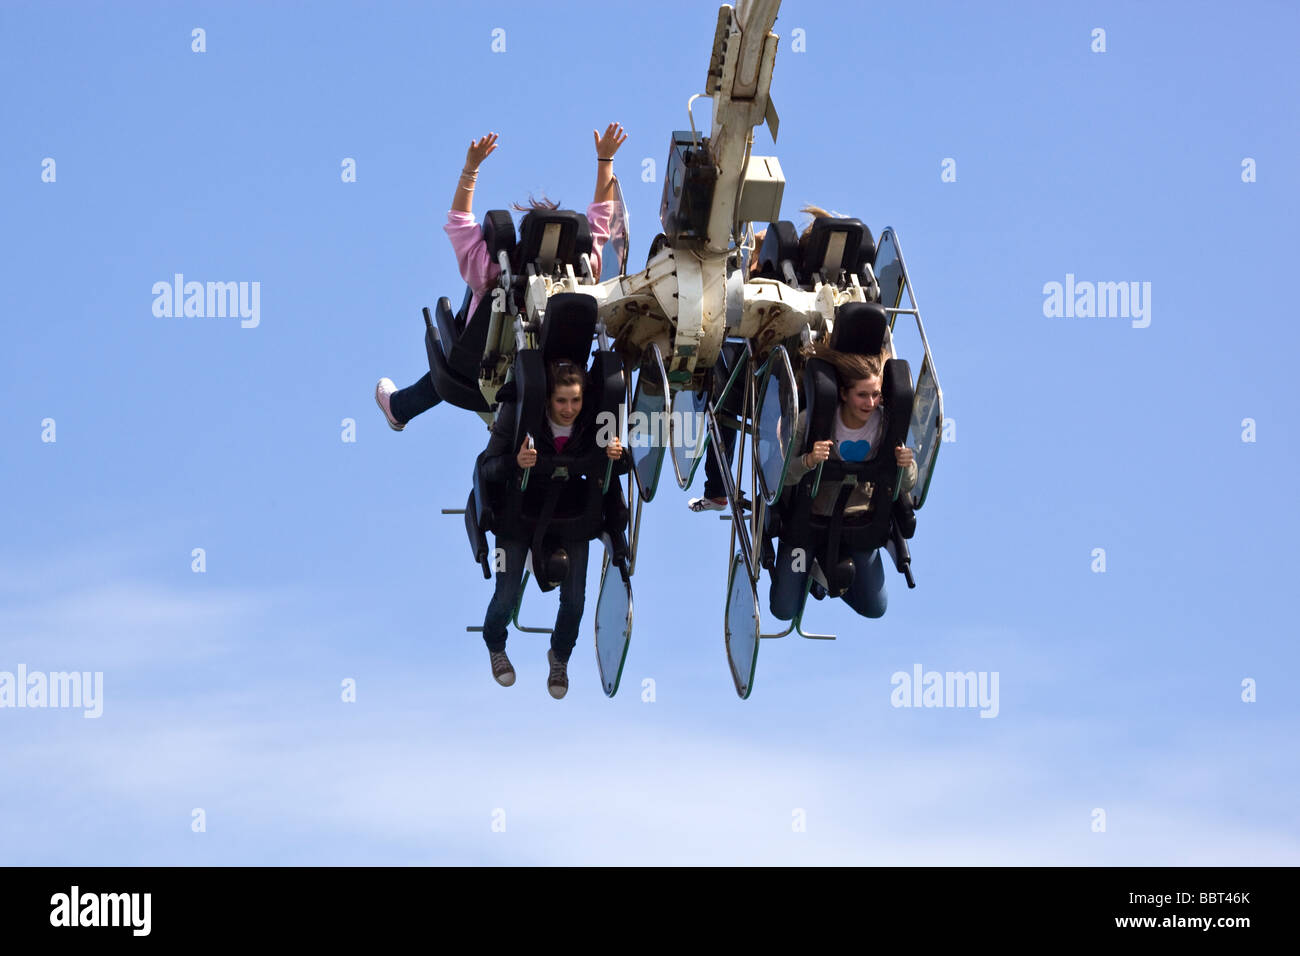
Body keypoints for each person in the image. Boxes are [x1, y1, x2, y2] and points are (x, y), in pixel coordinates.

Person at [375, 124, 629, 430]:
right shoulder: (585, 268)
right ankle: (400, 408)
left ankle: (399, 409)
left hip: (475, 370)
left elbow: (460, 223)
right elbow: (601, 219)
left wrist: (470, 170)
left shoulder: (489, 271)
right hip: (549, 373)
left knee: (445, 372)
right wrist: (605, 161)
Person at [688, 206, 861, 513]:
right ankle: (720, 489)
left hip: (772, 387)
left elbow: (738, 315)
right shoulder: (847, 298)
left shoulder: (777, 287)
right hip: (796, 390)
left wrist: (755, 262)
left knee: (714, 362)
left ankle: (717, 488)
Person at [475, 359, 630, 698]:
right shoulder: (517, 416)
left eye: (575, 401)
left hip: (572, 514)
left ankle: (559, 656)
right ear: (547, 400)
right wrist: (515, 463)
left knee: (575, 601)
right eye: (561, 401)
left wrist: (619, 455)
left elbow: (621, 468)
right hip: (518, 515)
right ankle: (495, 644)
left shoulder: (593, 421)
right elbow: (487, 468)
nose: (569, 409)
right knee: (506, 595)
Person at [768, 348, 916, 622]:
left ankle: (827, 577)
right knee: (783, 610)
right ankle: (810, 571)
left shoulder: (887, 426)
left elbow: (906, 485)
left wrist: (907, 466)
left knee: (876, 608)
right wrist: (809, 461)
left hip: (859, 526)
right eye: (862, 395)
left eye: (876, 395)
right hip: (807, 527)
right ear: (844, 394)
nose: (870, 403)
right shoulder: (810, 422)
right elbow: (782, 478)